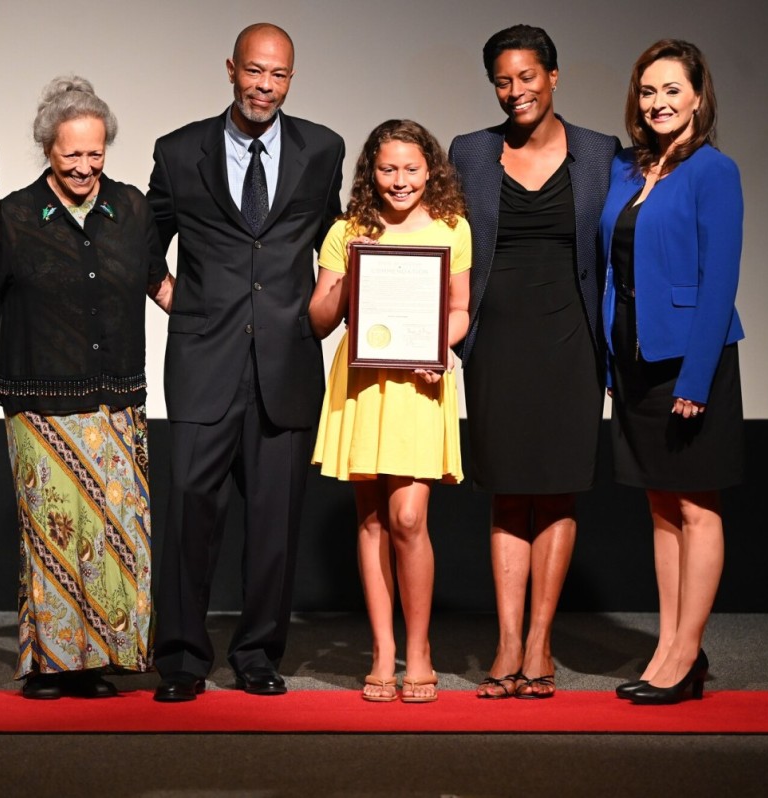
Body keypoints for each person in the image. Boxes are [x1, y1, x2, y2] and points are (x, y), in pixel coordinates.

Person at [146, 22, 345, 702]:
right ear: (232, 68)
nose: (265, 86)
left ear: (291, 78)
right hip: (204, 363)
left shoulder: (322, 149)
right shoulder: (179, 151)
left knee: (274, 525)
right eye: (255, 71)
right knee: (189, 517)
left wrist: (337, 307)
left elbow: (334, 243)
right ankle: (180, 659)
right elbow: (145, 242)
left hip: (286, 366)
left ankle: (258, 654)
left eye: (278, 74)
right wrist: (176, 300)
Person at [448, 25, 620, 699]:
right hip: (496, 342)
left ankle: (541, 641)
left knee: (556, 490)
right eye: (502, 80)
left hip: (572, 341)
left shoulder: (600, 152)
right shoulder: (471, 151)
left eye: (527, 76)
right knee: (508, 490)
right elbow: (442, 238)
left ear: (553, 76)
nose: (515, 90)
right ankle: (508, 643)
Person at [0, 77, 173, 700]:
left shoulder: (132, 209)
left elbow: (160, 285)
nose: (85, 167)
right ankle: (50, 664)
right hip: (41, 402)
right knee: (56, 536)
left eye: (96, 153)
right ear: (48, 148)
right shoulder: (15, 216)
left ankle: (97, 663)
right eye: (72, 154)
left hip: (116, 399)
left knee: (113, 537)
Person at [600, 40, 744, 705]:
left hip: (689, 358)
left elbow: (720, 280)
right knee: (660, 508)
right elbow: (614, 266)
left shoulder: (714, 170)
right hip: (633, 354)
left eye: (671, 90)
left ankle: (686, 655)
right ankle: (669, 645)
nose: (658, 102)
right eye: (648, 90)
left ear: (697, 97)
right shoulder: (628, 169)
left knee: (695, 505)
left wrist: (696, 376)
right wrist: (609, 355)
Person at [309, 120, 471, 703]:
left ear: (431, 170)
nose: (399, 181)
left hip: (419, 385)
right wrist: (348, 277)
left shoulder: (453, 227)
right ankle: (382, 651)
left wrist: (441, 348)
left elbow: (459, 309)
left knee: (407, 518)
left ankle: (419, 650)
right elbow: (319, 319)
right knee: (374, 519)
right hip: (363, 382)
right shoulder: (346, 230)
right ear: (370, 173)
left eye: (411, 169)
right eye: (387, 169)